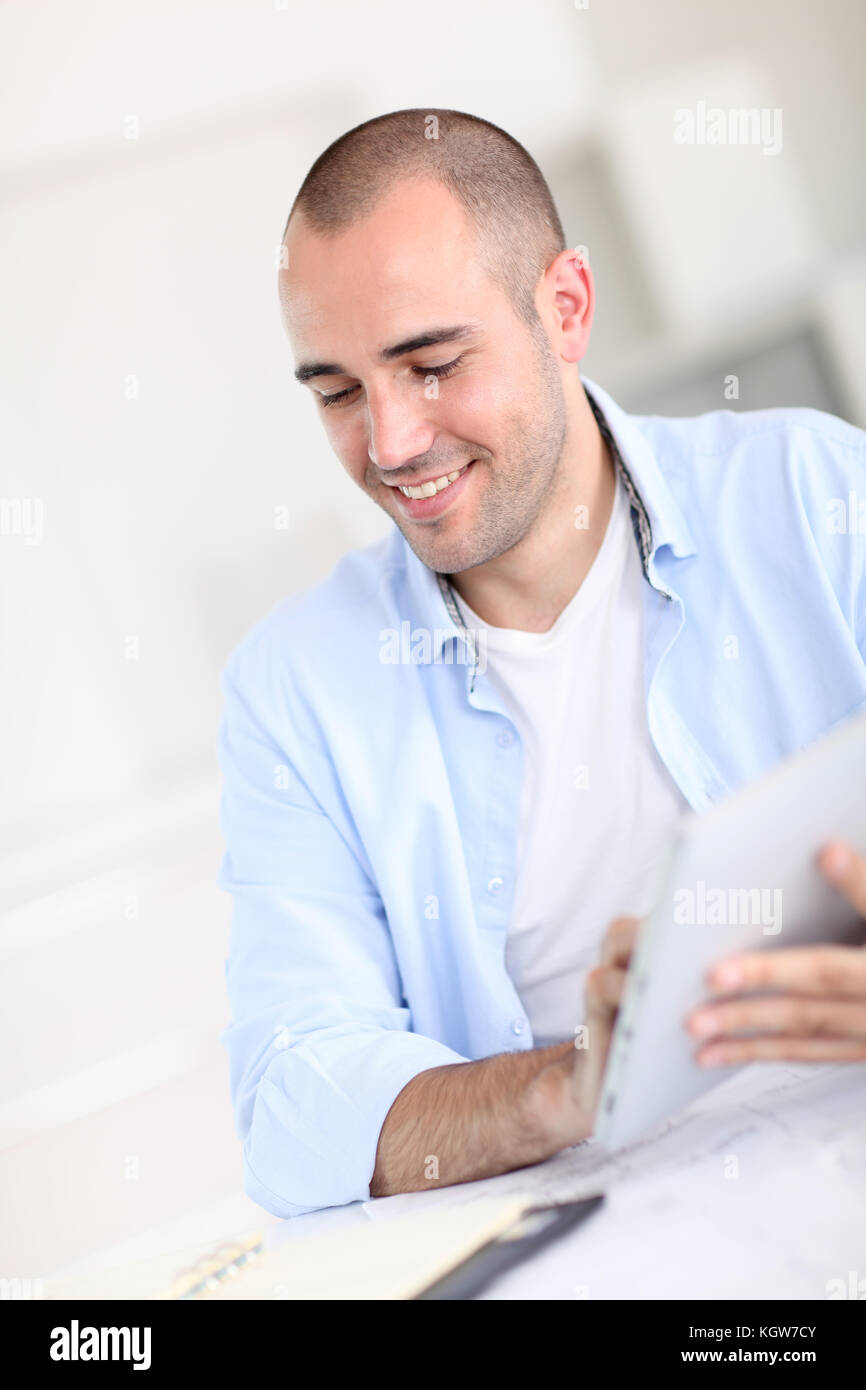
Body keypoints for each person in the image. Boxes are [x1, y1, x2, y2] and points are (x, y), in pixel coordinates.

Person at [217, 108, 866, 1219]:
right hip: (597, 1237)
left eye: (430, 364)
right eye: (335, 392)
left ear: (563, 308)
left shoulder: (816, 499)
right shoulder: (296, 691)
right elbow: (292, 1100)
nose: (388, 443)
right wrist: (573, 1084)